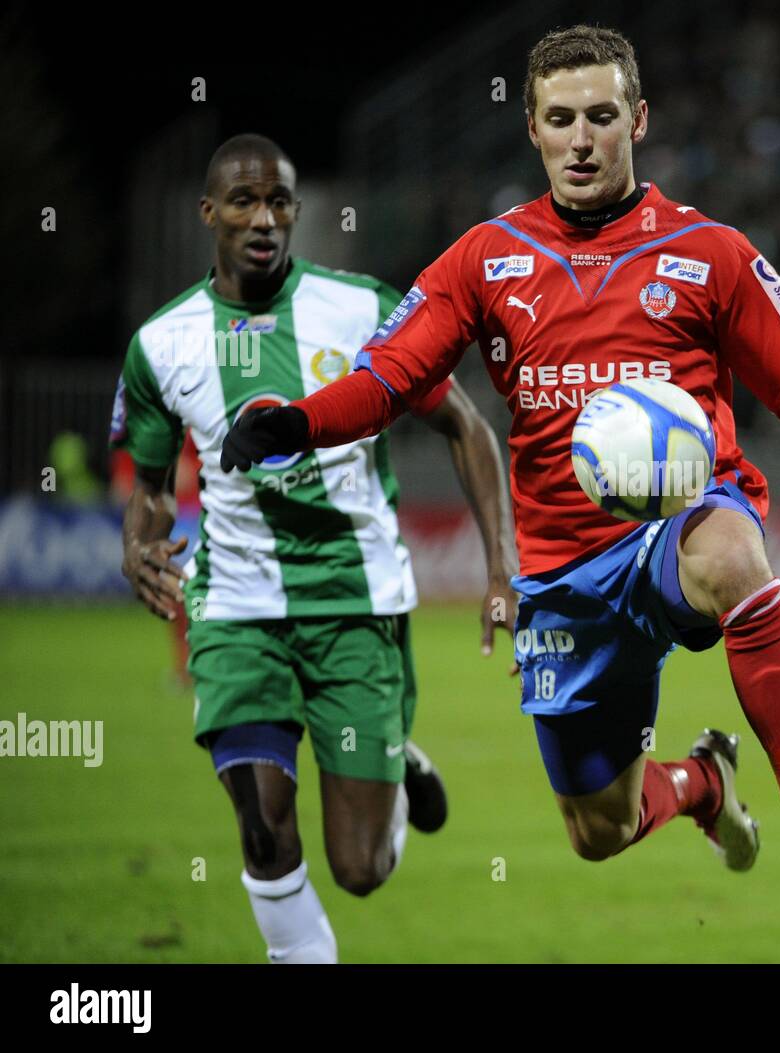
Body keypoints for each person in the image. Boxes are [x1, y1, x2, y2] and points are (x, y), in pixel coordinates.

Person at [221, 28, 780, 932]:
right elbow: (390, 379)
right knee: (601, 828)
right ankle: (703, 784)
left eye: (601, 116)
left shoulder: (713, 255)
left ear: (639, 120)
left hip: (676, 530)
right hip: (562, 577)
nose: (581, 139)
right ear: (533, 131)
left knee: (737, 555)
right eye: (560, 119)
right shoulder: (483, 260)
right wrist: (299, 422)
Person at [114, 133, 514, 962]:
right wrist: (136, 544)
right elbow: (152, 484)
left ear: (296, 210)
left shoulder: (365, 308)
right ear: (209, 214)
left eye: (280, 202)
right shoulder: (162, 342)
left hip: (355, 603)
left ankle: (391, 762)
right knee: (262, 829)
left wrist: (501, 567)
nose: (264, 219)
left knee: (360, 869)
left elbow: (466, 426)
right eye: (244, 202)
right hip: (235, 607)